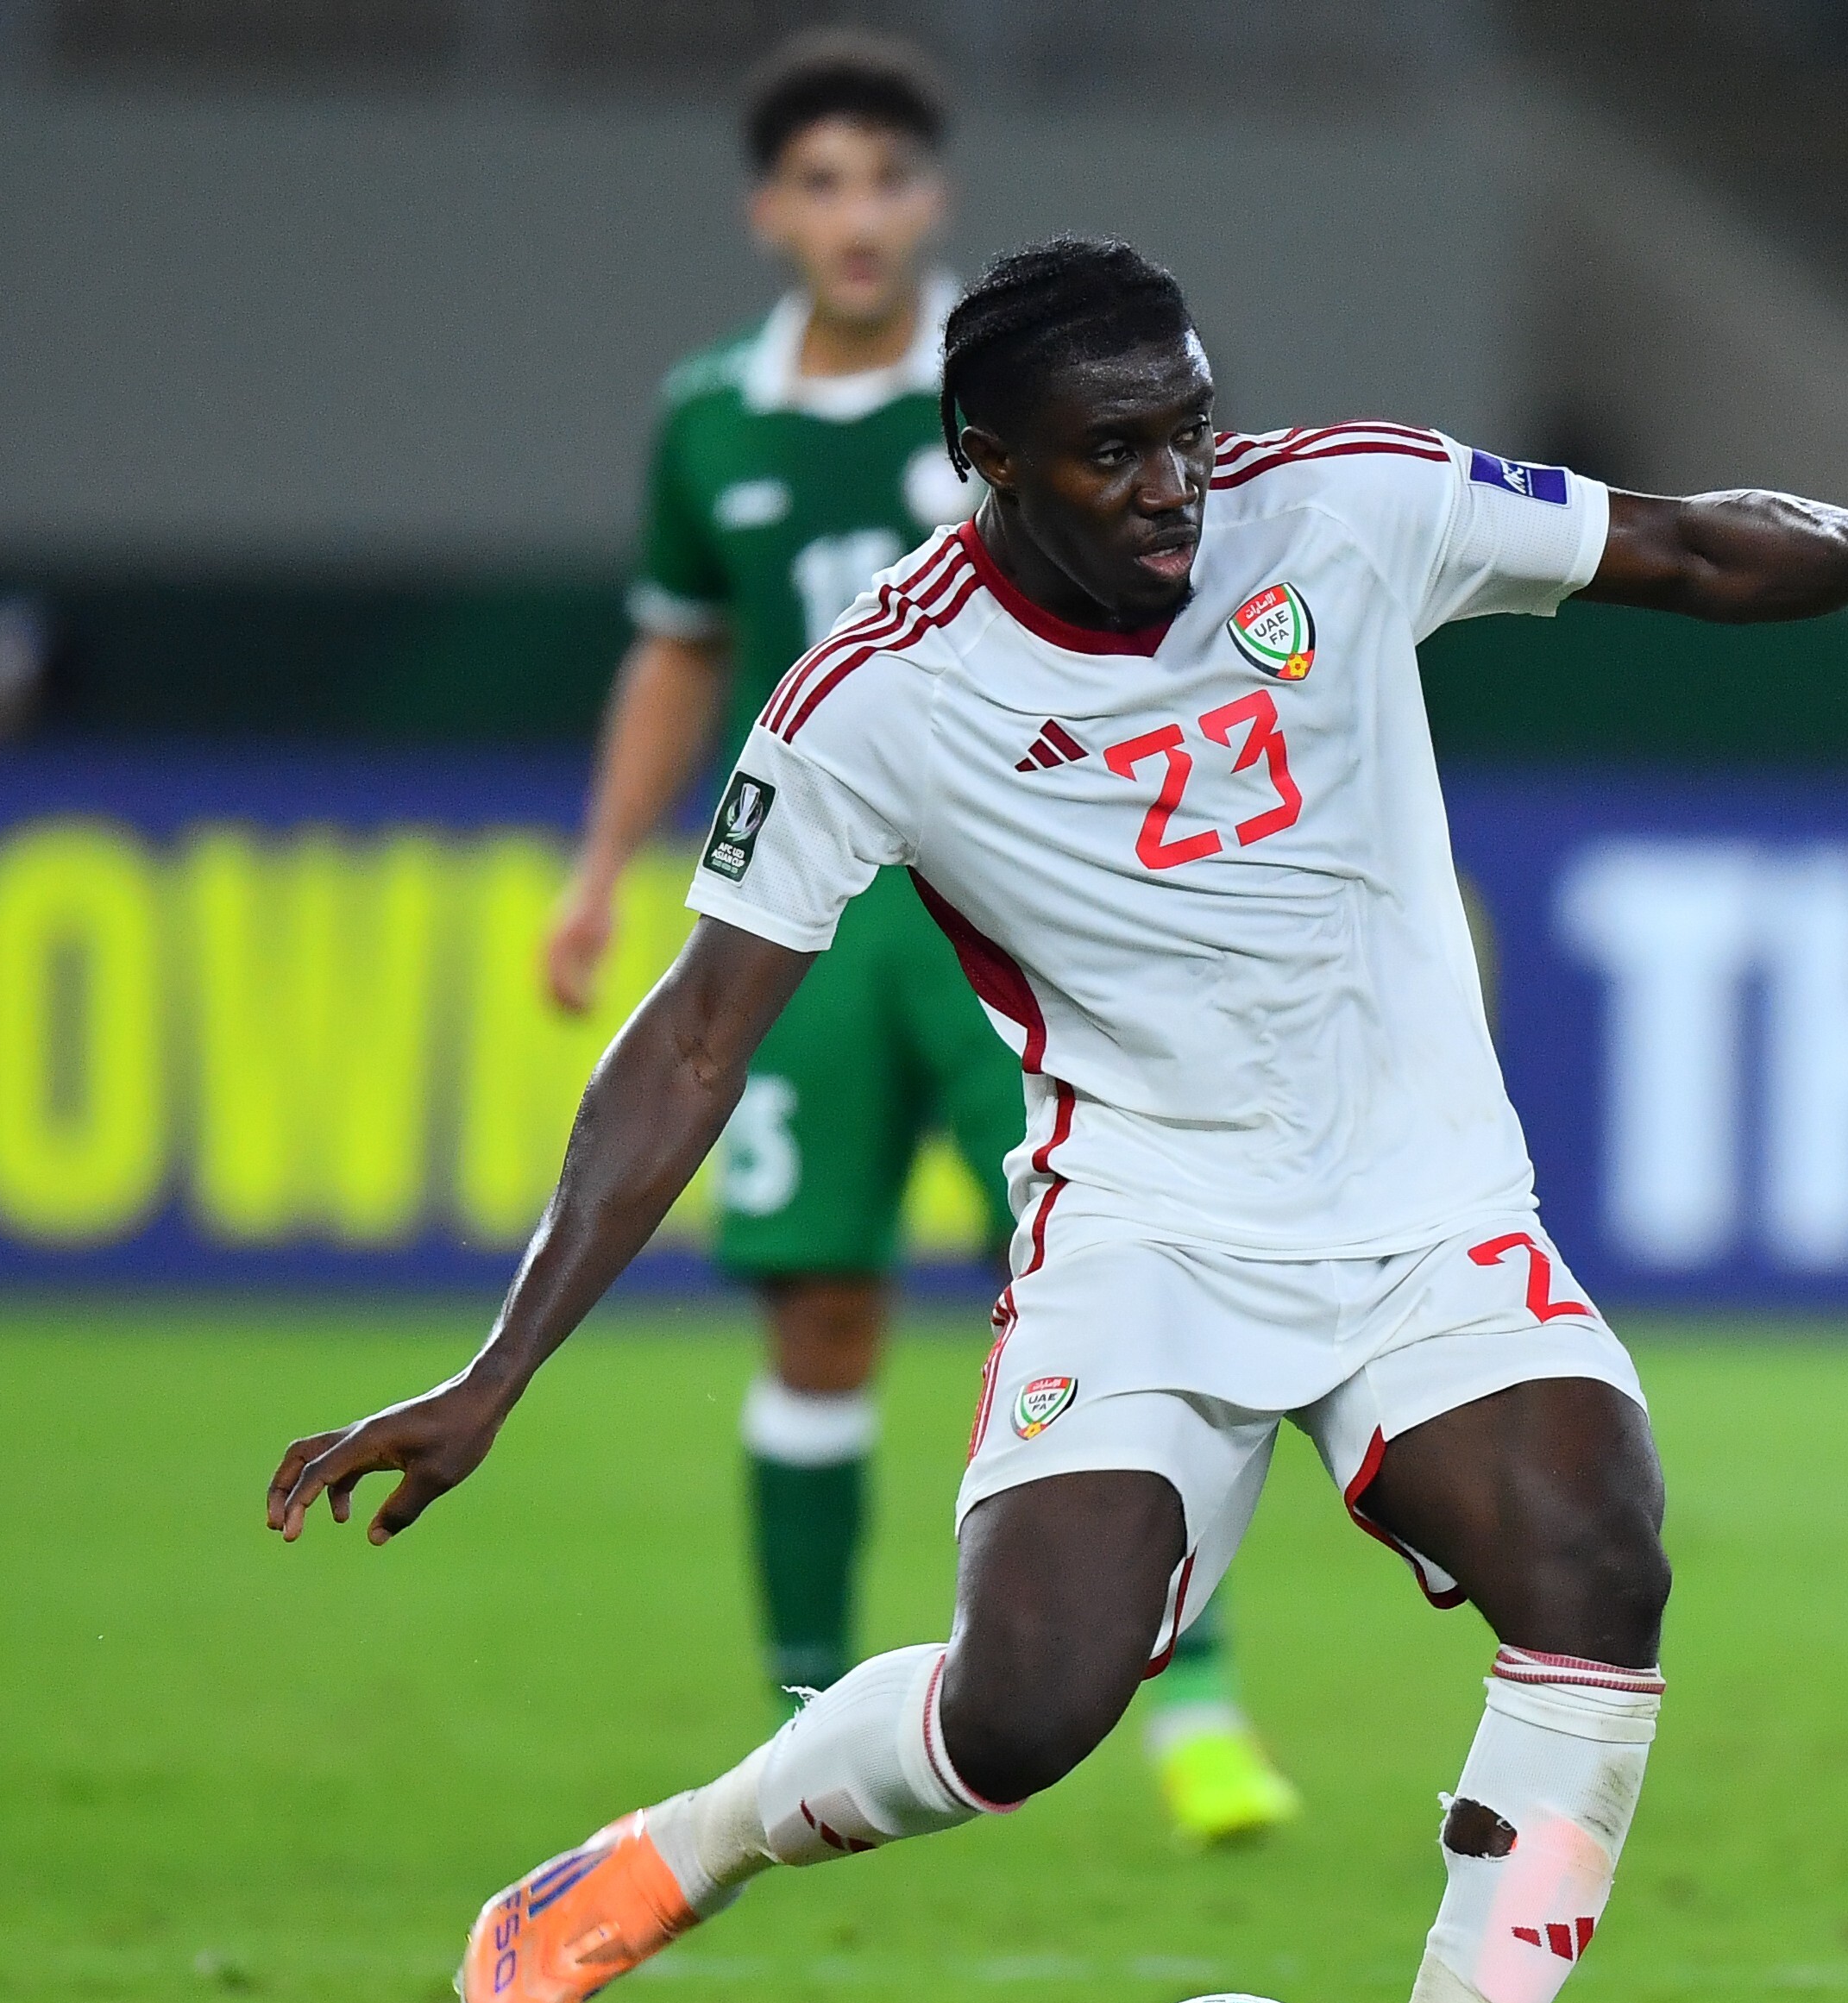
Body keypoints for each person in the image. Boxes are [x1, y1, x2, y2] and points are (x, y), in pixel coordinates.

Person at [269, 234, 1848, 2003]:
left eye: (1191, 430)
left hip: (1428, 1204)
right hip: (1141, 1225)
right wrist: (499, 1365)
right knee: (1025, 1710)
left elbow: (1672, 541)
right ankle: (687, 1843)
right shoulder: (881, 694)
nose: (1175, 486)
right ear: (988, 460)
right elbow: (695, 1033)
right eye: (1115, 449)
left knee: (1597, 1561)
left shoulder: (1349, 506)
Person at [544, 30, 1296, 1842]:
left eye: (886, 177)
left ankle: (1196, 1702)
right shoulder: (709, 417)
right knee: (818, 1305)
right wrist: (600, 865)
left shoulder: (1022, 396)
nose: (858, 214)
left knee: (1128, 1284)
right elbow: (680, 646)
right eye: (822, 182)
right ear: (770, 212)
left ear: (932, 196)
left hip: (1010, 901)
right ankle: (808, 1711)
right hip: (804, 919)